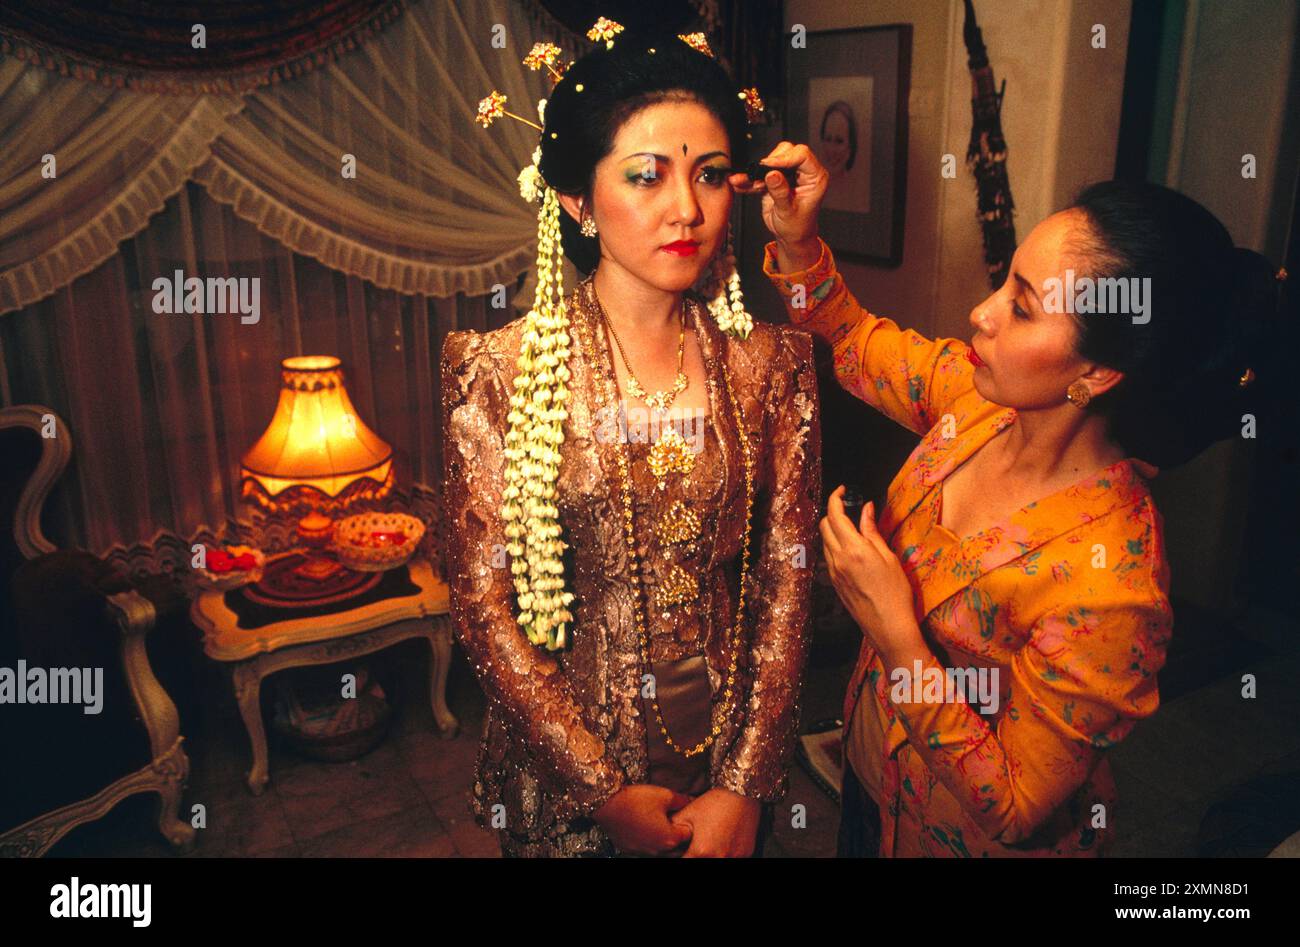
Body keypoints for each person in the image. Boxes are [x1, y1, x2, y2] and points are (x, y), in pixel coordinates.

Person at [739, 142, 1279, 856]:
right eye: (1006, 284)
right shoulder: (977, 401)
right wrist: (798, 239)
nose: (981, 313)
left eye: (1021, 308)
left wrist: (897, 635)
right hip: (872, 789)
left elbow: (1018, 805)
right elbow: (848, 335)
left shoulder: (1112, 587)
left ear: (1097, 370)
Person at [441, 25, 821, 857]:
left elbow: (785, 584)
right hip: (568, 771)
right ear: (576, 199)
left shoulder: (770, 366)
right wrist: (598, 789)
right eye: (645, 176)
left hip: (724, 759)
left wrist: (745, 784)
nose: (686, 208)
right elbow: (483, 606)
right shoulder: (502, 371)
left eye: (711, 175)